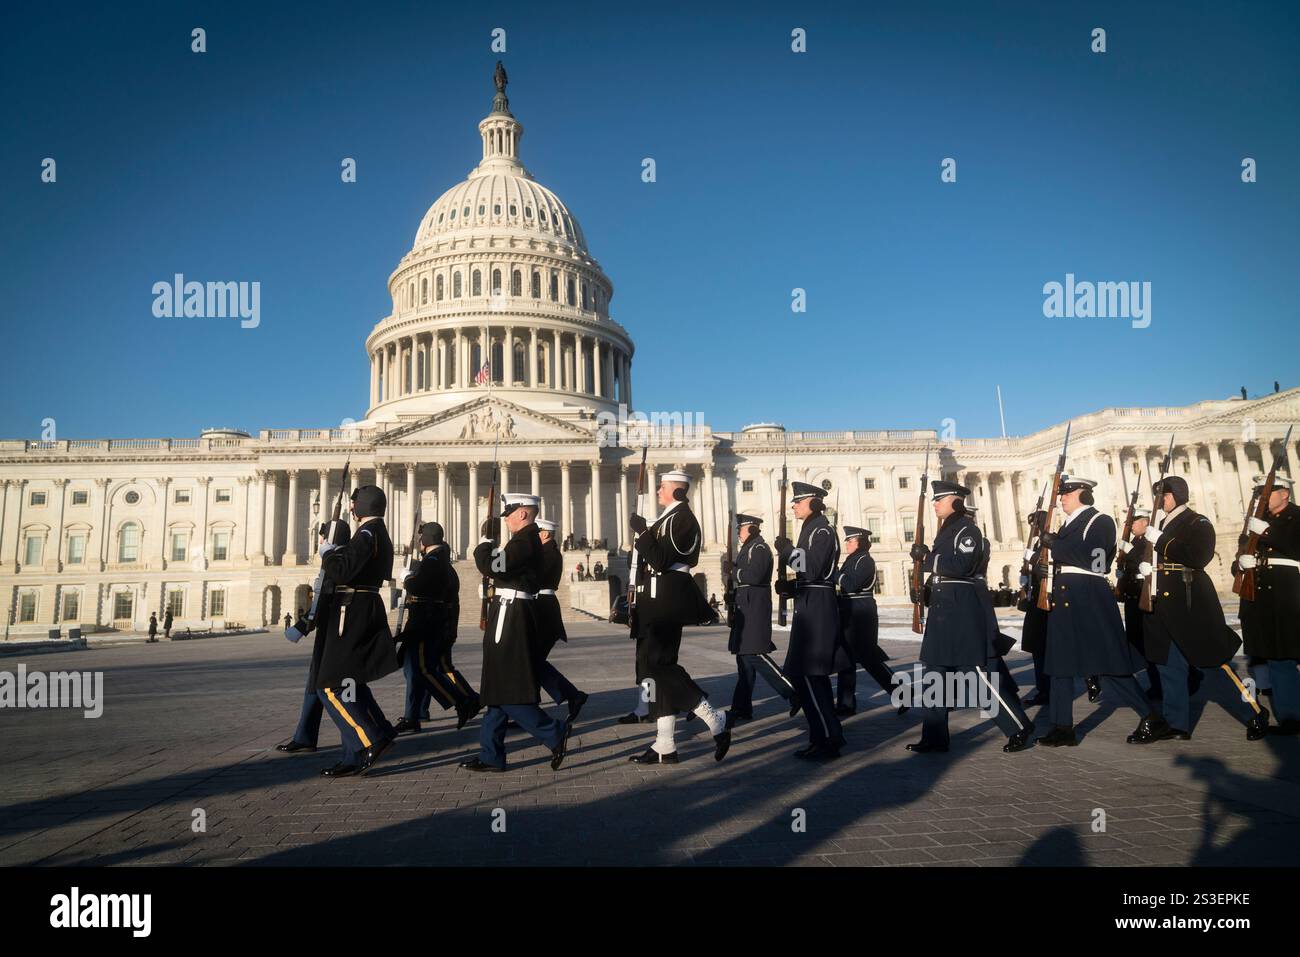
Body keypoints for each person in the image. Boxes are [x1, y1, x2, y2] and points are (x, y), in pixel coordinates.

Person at [907, 481, 1033, 754]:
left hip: (960, 611)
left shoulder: (967, 530)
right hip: (944, 610)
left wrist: (927, 559)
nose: (935, 504)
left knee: (975, 674)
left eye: (939, 500)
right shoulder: (947, 530)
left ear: (954, 500)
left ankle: (1019, 726)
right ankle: (935, 736)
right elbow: (942, 575)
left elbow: (962, 566)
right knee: (935, 675)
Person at [1139, 476, 1268, 742]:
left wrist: (1161, 540)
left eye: (1163, 495)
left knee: (1213, 662)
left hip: (1189, 600)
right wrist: (1147, 567)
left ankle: (1254, 711)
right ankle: (1177, 724)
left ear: (1176, 495)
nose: (1159, 500)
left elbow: (1198, 556)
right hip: (1162, 601)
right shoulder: (1159, 524)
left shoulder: (1197, 522)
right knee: (1169, 664)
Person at [1032, 476, 1155, 747]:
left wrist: (1055, 545)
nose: (1061, 497)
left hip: (1088, 597)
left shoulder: (1099, 521)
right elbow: (1065, 558)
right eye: (1060, 493)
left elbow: (1096, 561)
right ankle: (1062, 726)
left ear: (1083, 494)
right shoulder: (1067, 524)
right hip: (1065, 596)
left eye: (1067, 492)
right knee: (1060, 665)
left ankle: (1150, 716)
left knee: (1108, 663)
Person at [460, 493, 574, 772]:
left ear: (523, 513)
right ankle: (491, 754)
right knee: (497, 687)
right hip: (507, 610)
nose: (506, 519)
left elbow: (493, 566)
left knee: (506, 689)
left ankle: (553, 731)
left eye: (509, 513)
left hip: (512, 615)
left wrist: (484, 545)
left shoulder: (525, 540)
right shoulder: (523, 540)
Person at [626, 470, 731, 764]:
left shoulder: (683, 519)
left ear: (678, 491)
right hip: (655, 598)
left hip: (668, 599)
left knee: (659, 666)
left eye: (662, 487)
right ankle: (664, 744)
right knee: (654, 668)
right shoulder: (668, 518)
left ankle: (713, 718)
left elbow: (660, 559)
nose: (658, 491)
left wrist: (642, 532)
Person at [314, 485, 401, 778]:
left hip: (350, 612)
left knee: (329, 685)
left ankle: (371, 739)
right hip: (361, 607)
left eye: (353, 505)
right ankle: (357, 750)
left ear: (358, 507)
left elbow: (342, 571)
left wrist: (327, 552)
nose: (350, 510)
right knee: (352, 683)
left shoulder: (366, 533)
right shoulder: (376, 532)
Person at [776, 482, 852, 760]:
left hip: (818, 608)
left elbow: (813, 567)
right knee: (805, 675)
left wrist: (786, 553)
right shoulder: (810, 529)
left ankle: (829, 738)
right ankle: (824, 736)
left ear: (815, 502)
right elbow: (810, 574)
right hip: (810, 603)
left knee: (809, 673)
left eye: (798, 501)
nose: (793, 505)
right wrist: (792, 588)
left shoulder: (821, 529)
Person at [393, 522, 481, 735]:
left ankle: (462, 701)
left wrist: (407, 579)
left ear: (426, 540)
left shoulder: (433, 561)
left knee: (423, 669)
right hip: (429, 623)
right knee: (416, 669)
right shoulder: (437, 560)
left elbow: (421, 587)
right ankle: (415, 714)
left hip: (425, 624)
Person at [276, 519, 350, 755]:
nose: (319, 541)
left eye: (323, 536)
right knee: (315, 684)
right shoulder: (337, 561)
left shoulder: (338, 563)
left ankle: (357, 736)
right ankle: (305, 735)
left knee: (337, 689)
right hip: (329, 634)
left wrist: (302, 626)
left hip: (336, 634)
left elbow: (323, 601)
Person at [1236, 474, 1300, 734]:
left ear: (1284, 493)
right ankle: (1290, 717)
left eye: (1267, 492)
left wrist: (1267, 532)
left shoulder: (1296, 516)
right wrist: (1240, 563)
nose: (1262, 497)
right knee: (1275, 658)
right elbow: (1242, 552)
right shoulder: (1257, 521)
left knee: (1285, 657)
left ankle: (1291, 715)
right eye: (1260, 492)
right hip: (1262, 599)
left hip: (1288, 593)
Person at [725, 514, 798, 724]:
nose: (739, 531)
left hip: (754, 608)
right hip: (745, 607)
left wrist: (733, 571)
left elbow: (754, 576)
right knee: (744, 661)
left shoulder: (759, 548)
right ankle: (741, 708)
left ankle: (793, 692)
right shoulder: (749, 548)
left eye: (742, 527)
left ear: (753, 528)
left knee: (756, 654)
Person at [835, 526, 903, 717]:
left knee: (869, 659)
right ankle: (845, 703)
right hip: (849, 611)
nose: (846, 544)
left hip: (861, 612)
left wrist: (834, 574)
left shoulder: (865, 560)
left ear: (861, 542)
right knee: (846, 659)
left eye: (850, 541)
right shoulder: (853, 559)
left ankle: (902, 693)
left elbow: (851, 584)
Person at [534, 518, 589, 722]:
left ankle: (573, 695)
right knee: (531, 662)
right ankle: (528, 709)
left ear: (545, 534)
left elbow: (533, 578)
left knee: (532, 661)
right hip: (542, 607)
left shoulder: (548, 554)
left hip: (544, 610)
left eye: (536, 532)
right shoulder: (546, 553)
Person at [1018, 509, 1052, 708]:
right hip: (1035, 600)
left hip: (1044, 601)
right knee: (1036, 648)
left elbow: (1047, 566)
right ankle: (1043, 689)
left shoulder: (1049, 542)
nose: (1033, 528)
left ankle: (1048, 689)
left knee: (1043, 648)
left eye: (1036, 524)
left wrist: (1033, 559)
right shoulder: (1038, 543)